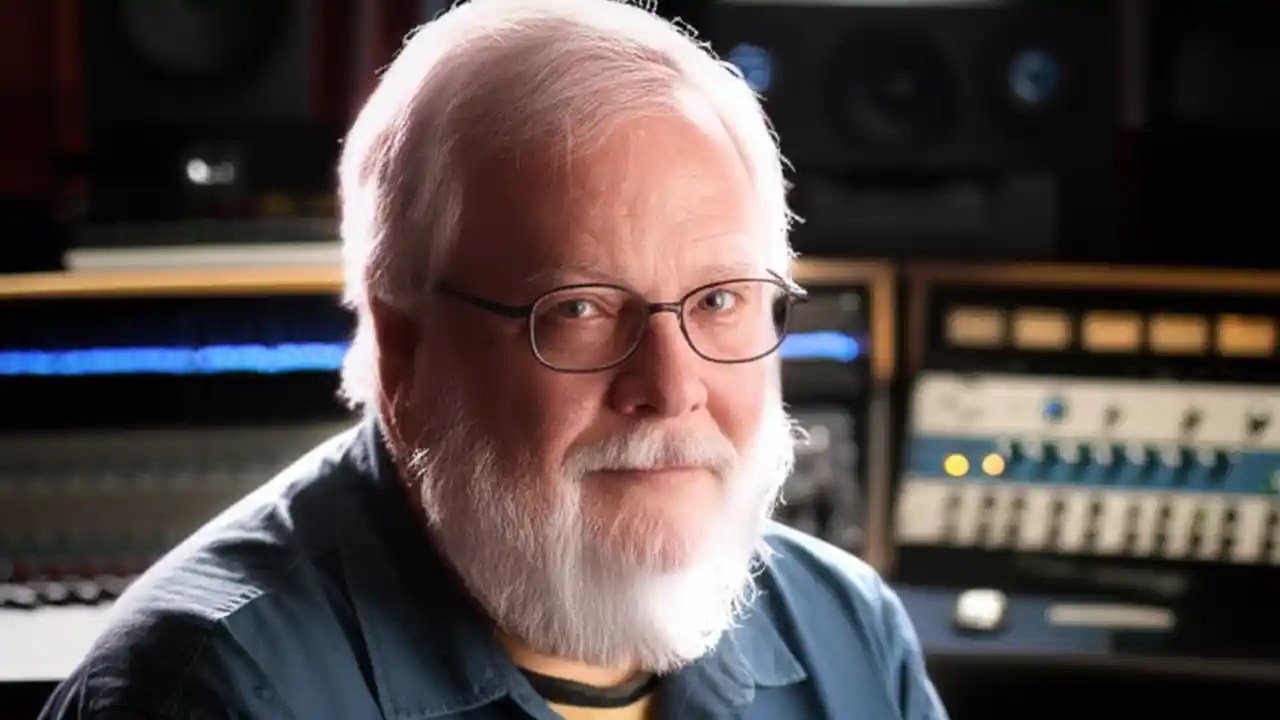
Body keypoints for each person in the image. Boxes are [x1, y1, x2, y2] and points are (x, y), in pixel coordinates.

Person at [41, 1, 948, 717]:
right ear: (404, 349)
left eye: (720, 300)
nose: (672, 388)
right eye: (581, 309)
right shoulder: (214, 690)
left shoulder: (849, 633)